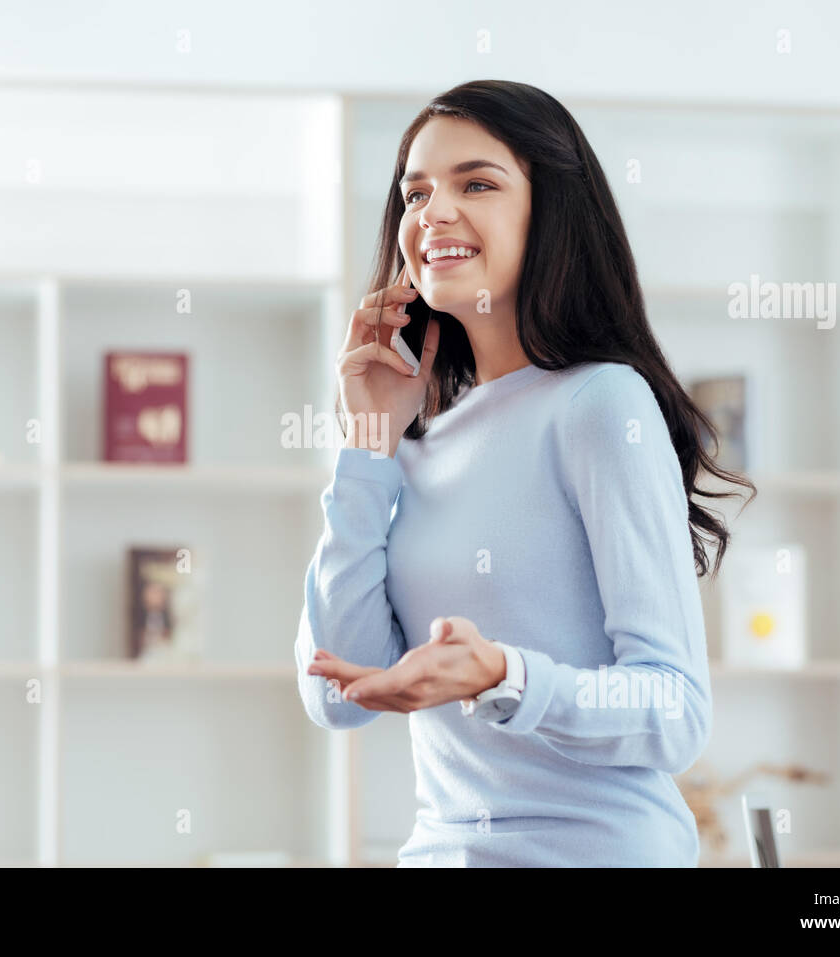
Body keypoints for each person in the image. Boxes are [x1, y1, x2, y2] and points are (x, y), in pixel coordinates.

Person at [294, 79, 756, 867]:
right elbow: (336, 692)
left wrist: (503, 674)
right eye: (415, 192)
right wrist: (369, 442)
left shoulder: (601, 403)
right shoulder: (414, 437)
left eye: (477, 183)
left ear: (554, 211)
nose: (432, 213)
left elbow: (673, 711)